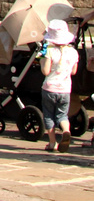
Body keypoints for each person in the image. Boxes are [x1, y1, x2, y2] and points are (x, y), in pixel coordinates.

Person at [40, 19, 79, 152]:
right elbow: (73, 71)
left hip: (49, 89)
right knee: (62, 115)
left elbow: (45, 71)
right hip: (65, 90)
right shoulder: (73, 53)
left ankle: (52, 143)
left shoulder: (49, 52)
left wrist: (41, 61)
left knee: (49, 116)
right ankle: (66, 130)